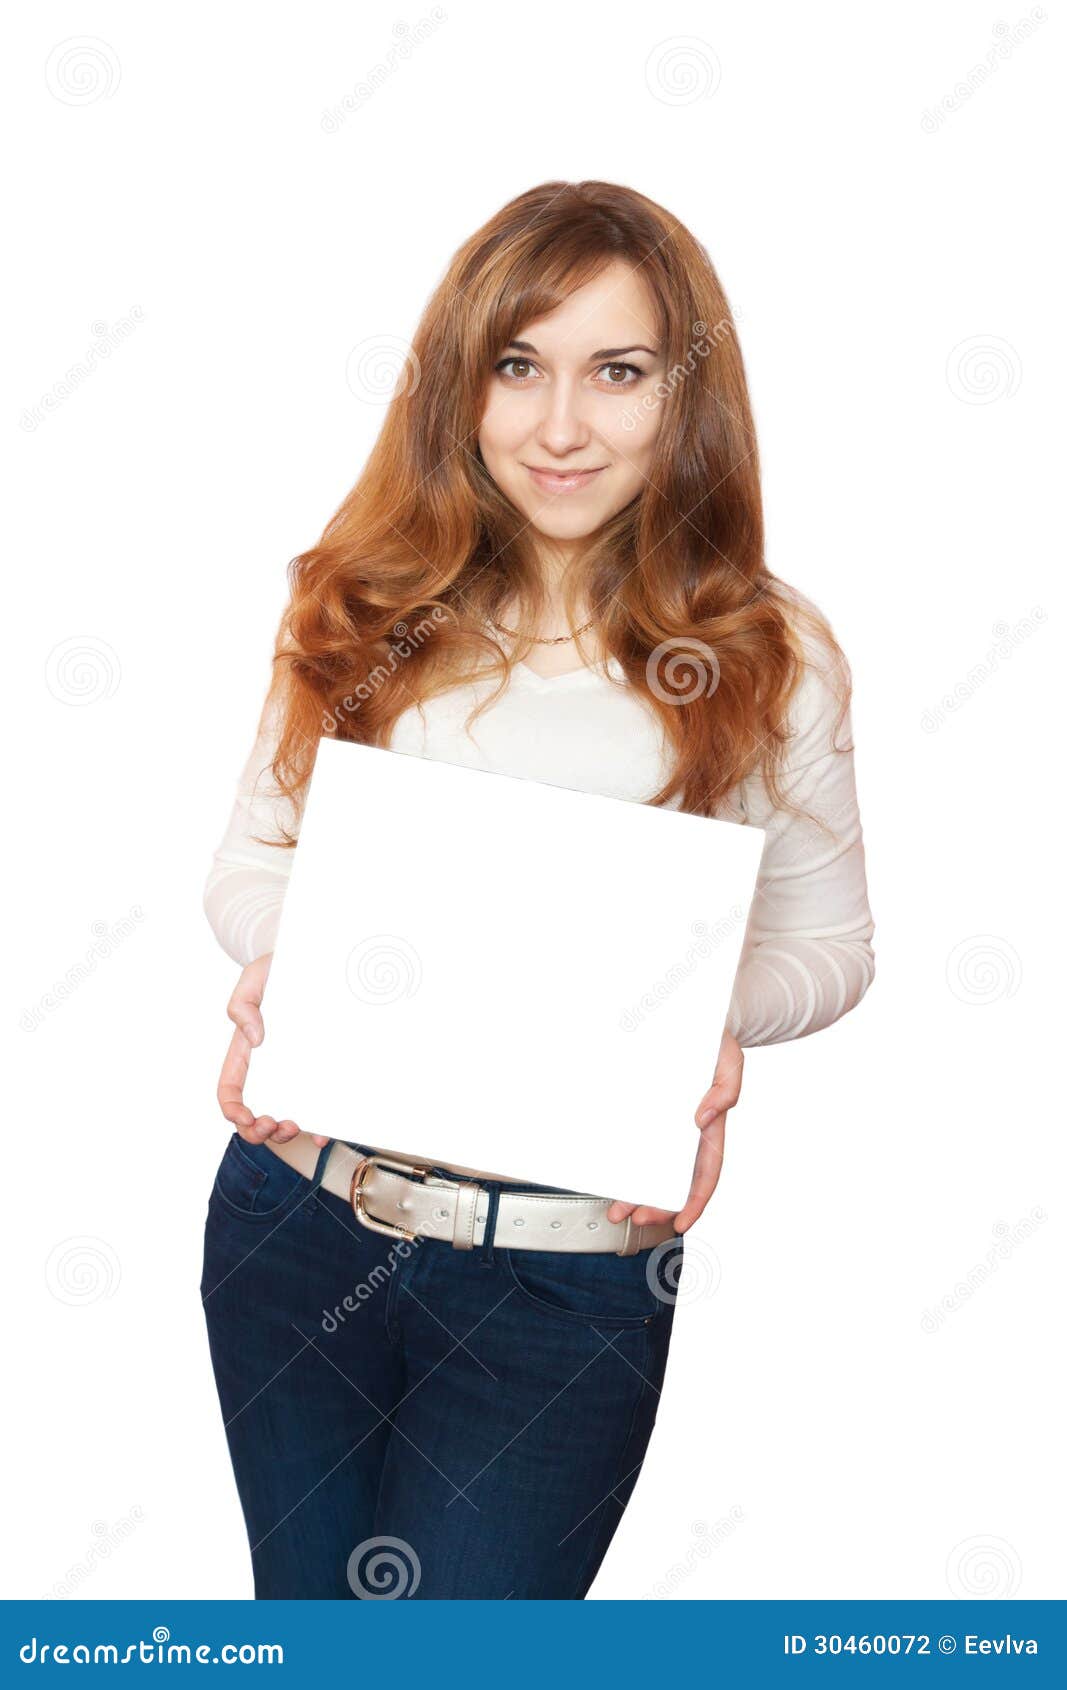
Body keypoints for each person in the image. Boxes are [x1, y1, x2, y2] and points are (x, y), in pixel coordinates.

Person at [200, 179, 876, 1600]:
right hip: (295, 1223)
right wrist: (296, 955)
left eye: (617, 372)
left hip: (563, 1277)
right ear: (462, 385)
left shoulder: (769, 652)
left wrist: (705, 1015)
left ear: (684, 393)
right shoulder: (363, 605)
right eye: (518, 366)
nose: (560, 425)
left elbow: (831, 945)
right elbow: (254, 863)